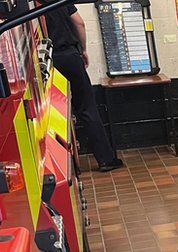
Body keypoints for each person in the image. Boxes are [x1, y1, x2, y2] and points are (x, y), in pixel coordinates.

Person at [42, 2, 124, 172]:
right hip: (69, 55)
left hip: (46, 60)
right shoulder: (62, 2)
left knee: (51, 111)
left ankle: (62, 166)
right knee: (86, 108)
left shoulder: (30, 5)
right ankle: (105, 159)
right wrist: (83, 50)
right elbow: (79, 22)